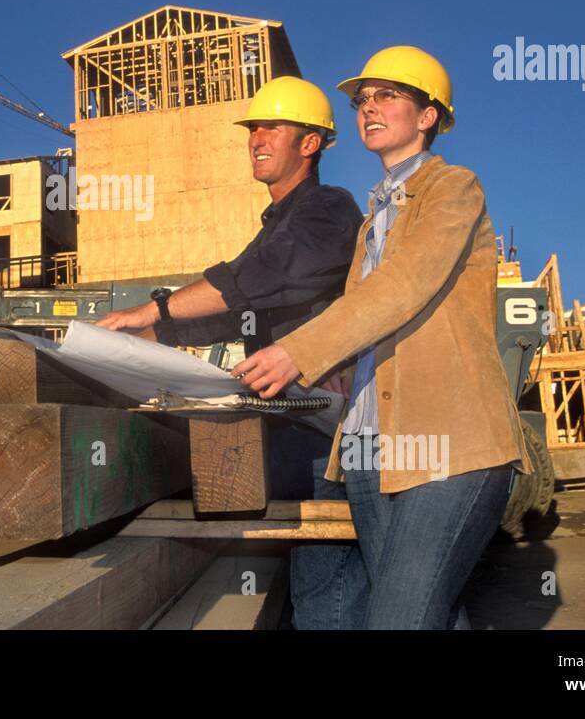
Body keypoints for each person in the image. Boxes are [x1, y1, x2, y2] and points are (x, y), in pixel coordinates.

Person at [233, 45, 532, 629]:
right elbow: (364, 319)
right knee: (428, 614)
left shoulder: (453, 188)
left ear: (427, 117)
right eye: (363, 100)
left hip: (448, 443)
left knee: (399, 618)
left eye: (387, 95)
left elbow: (406, 283)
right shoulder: (373, 218)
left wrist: (298, 352)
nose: (369, 107)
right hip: (370, 449)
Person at [96, 74, 370, 629]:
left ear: (311, 143)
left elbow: (259, 277)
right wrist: (135, 340)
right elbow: (231, 308)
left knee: (327, 596)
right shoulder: (277, 223)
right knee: (300, 586)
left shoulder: (328, 211)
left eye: (273, 127)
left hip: (329, 434)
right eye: (253, 128)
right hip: (287, 427)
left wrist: (155, 310)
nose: (257, 138)